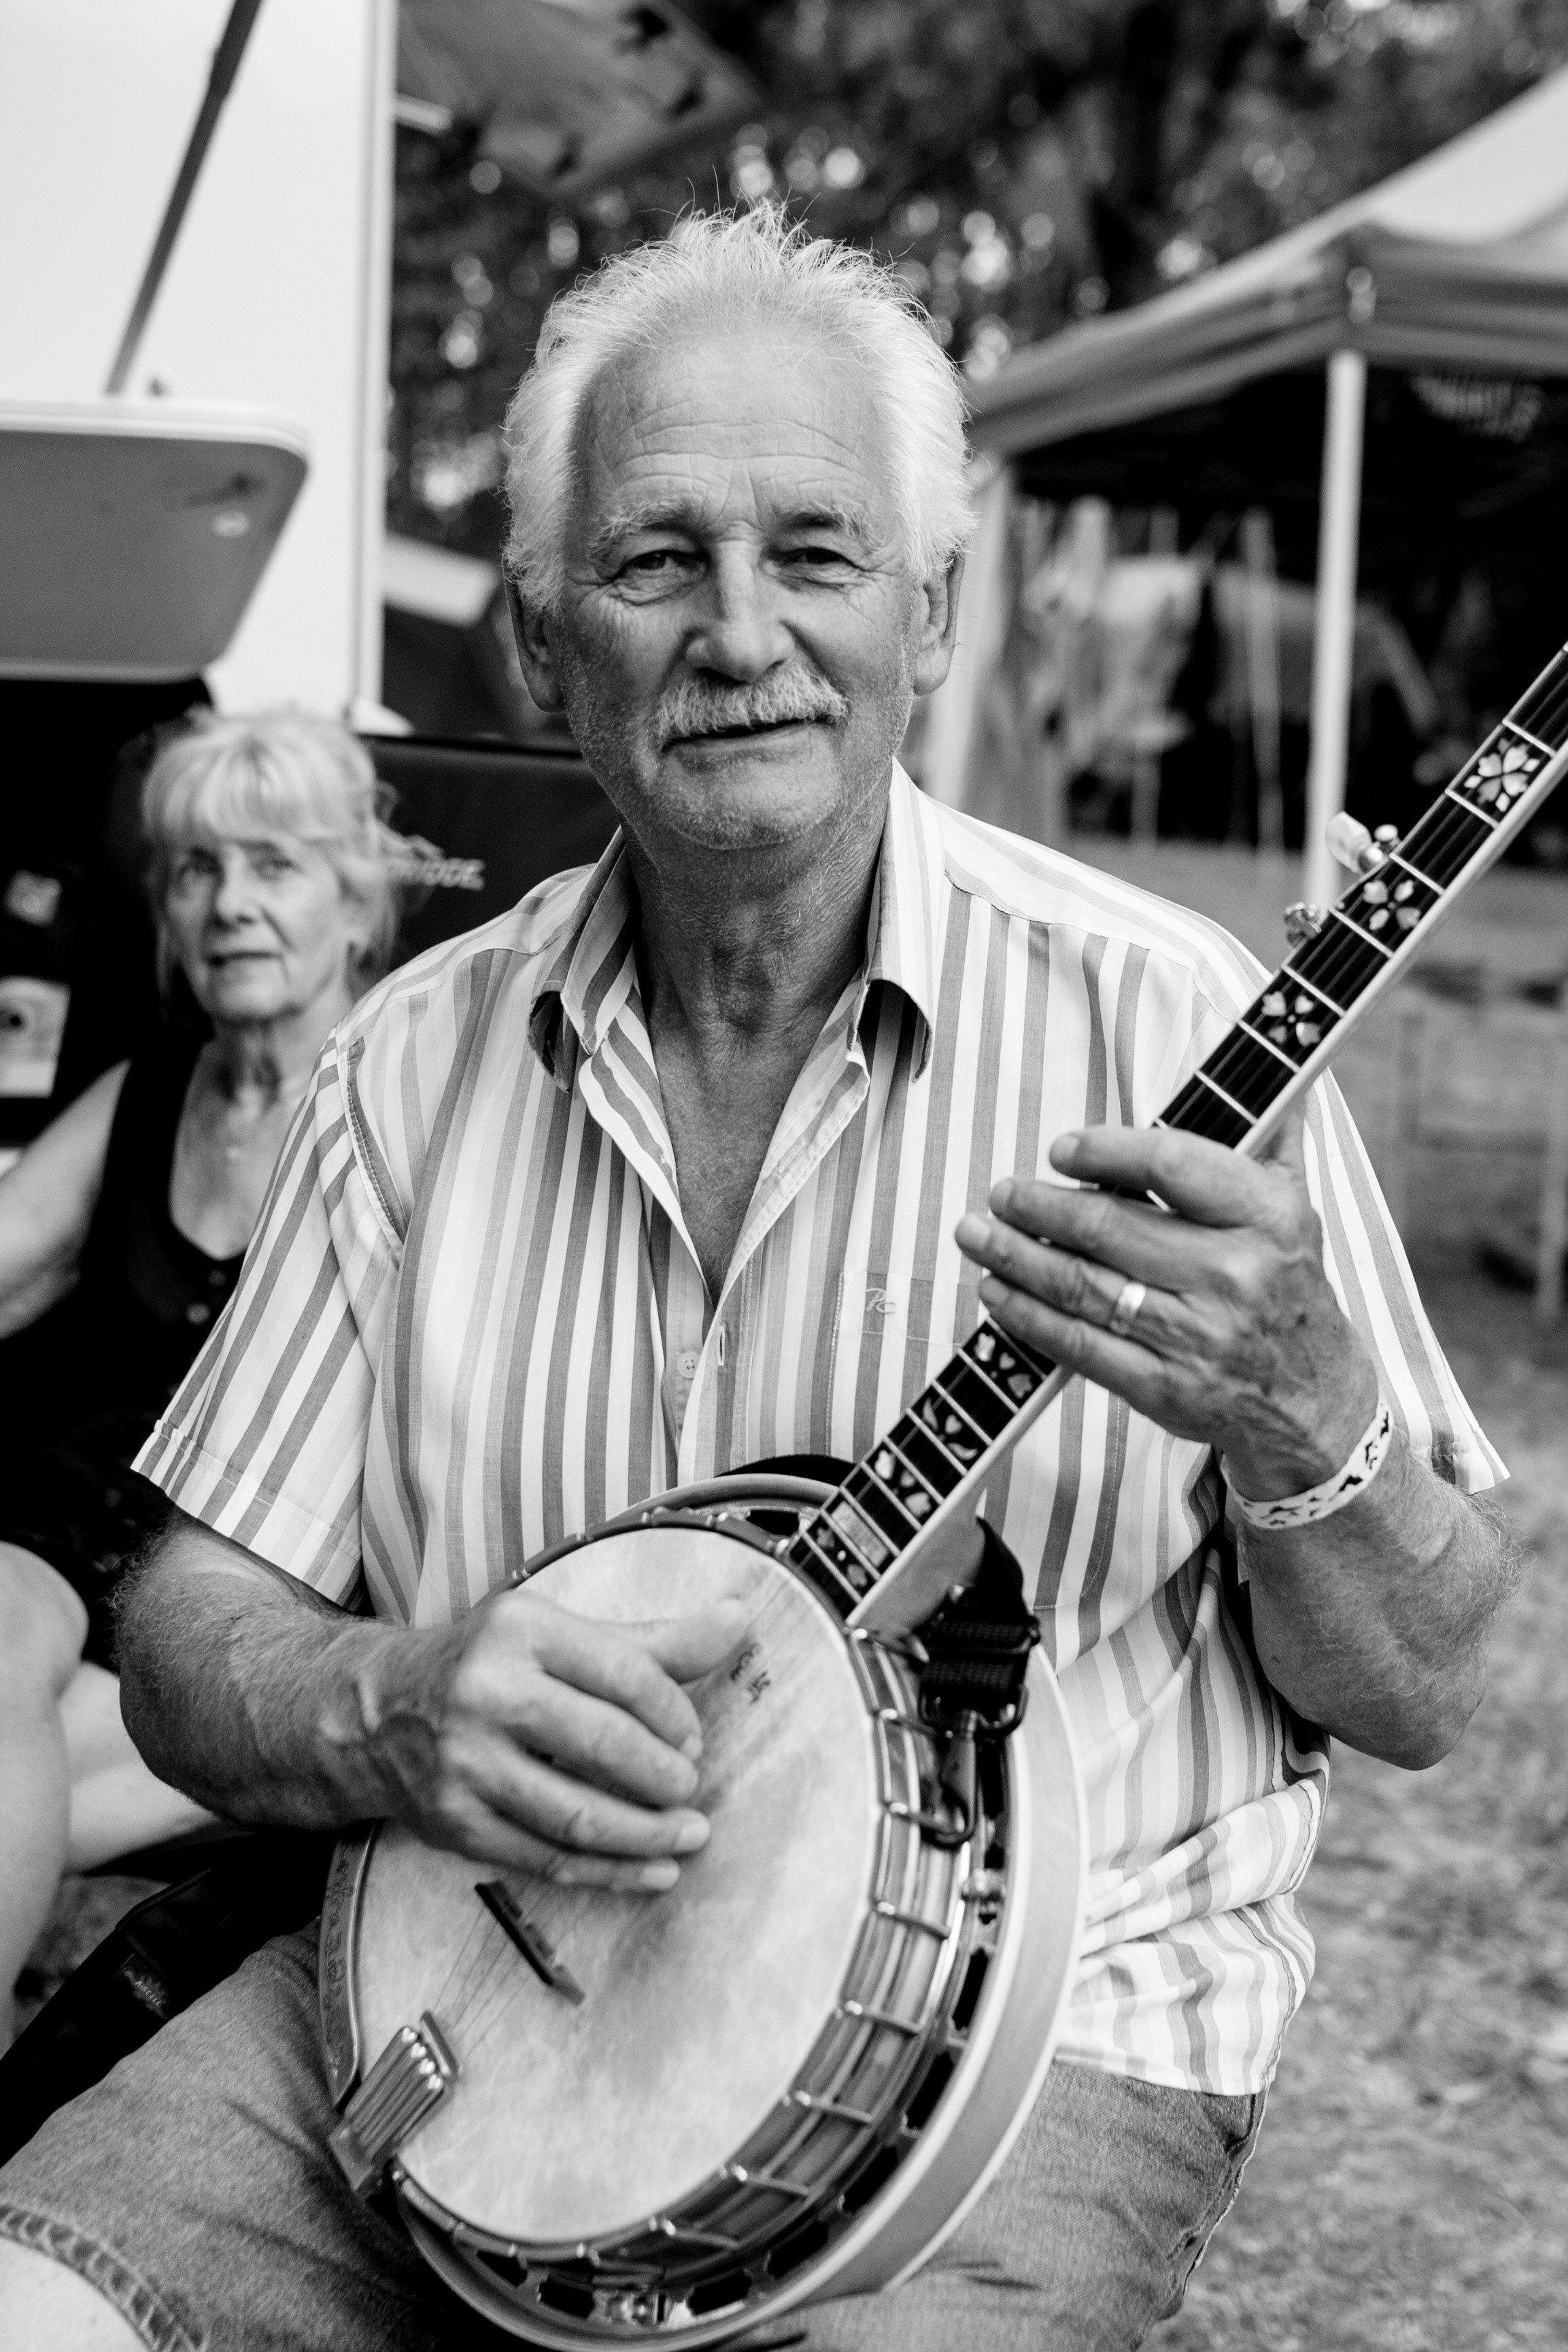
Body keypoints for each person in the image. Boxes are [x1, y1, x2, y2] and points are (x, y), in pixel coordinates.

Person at [0, 211, 1518, 2351]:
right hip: (463, 1967)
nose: (740, 636)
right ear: (540, 648)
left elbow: (1433, 1685)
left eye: (813, 551)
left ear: (932, 606)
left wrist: (1296, 1409)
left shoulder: (1158, 1023)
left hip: (1014, 2052)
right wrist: (393, 1698)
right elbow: (181, 1632)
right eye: (652, 564)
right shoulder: (410, 1056)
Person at [0, 707, 398, 2043]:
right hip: (56, 1545)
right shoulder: (148, 1084)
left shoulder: (409, 1101)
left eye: (274, 865)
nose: (232, 904)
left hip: (235, 1585)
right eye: (196, 869)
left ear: (355, 899)